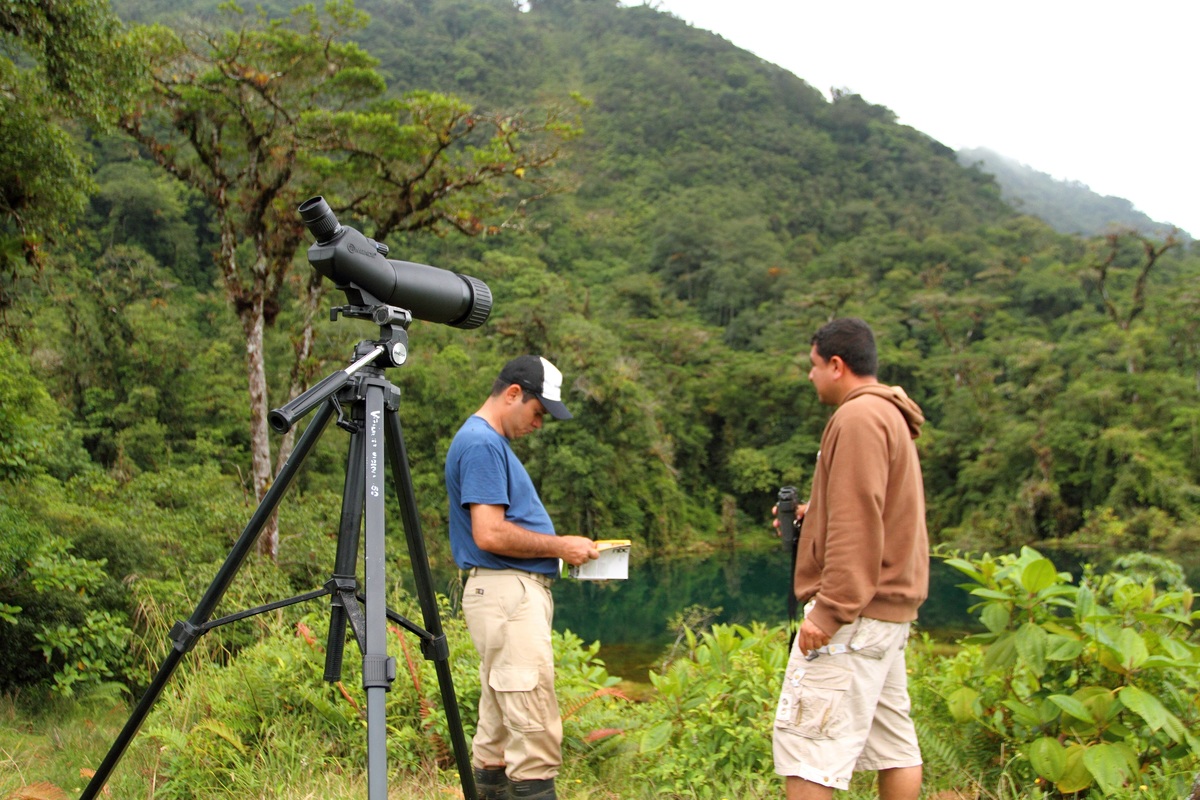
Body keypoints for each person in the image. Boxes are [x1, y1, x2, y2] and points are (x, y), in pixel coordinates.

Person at [772, 318, 929, 800]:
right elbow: (874, 507)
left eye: (814, 366)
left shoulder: (858, 418)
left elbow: (858, 520)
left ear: (836, 365)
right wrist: (812, 516)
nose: (811, 376)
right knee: (893, 745)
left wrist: (831, 608)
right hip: (886, 611)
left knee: (807, 749)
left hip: (855, 615)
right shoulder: (889, 415)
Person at [445, 354, 599, 800]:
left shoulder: (486, 442)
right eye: (538, 412)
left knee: (498, 724)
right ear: (514, 393)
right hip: (507, 591)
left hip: (500, 592)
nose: (539, 424)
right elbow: (489, 532)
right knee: (532, 730)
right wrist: (561, 546)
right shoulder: (482, 445)